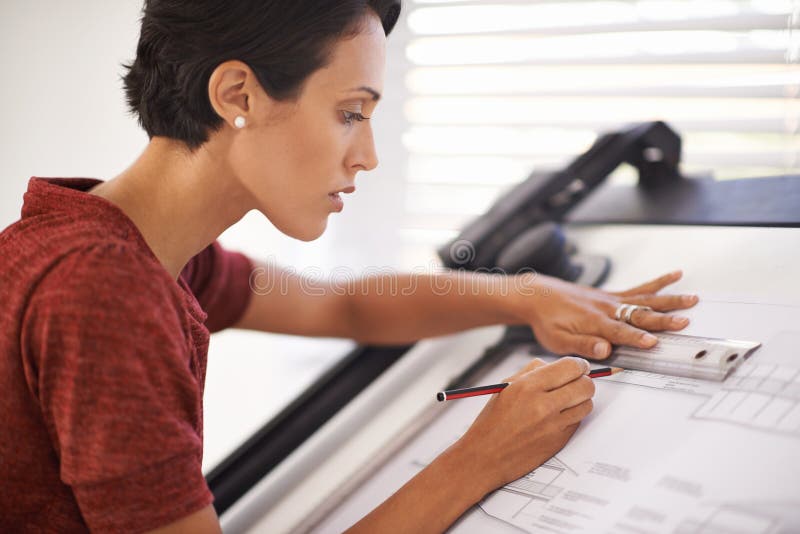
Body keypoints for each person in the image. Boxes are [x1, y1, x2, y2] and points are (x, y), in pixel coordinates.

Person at [0, 1, 698, 532]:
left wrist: (522, 293)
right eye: (349, 113)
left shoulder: (141, 252)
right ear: (237, 95)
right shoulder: (105, 292)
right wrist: (478, 461)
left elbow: (343, 307)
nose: (366, 156)